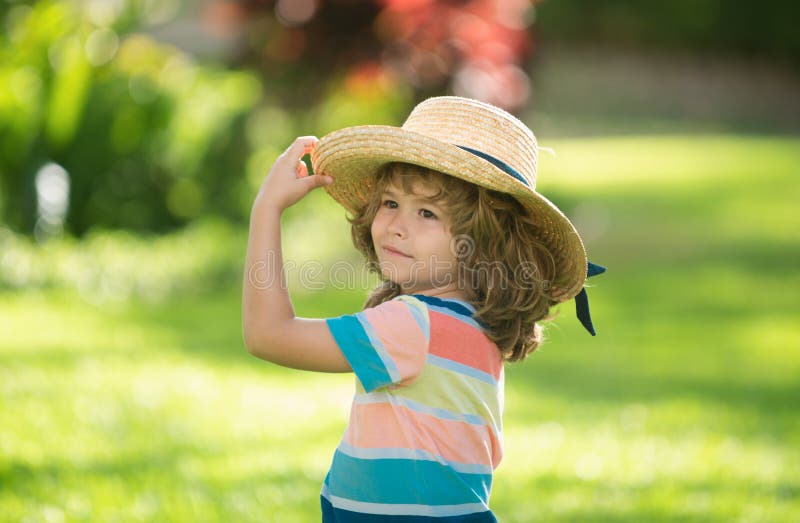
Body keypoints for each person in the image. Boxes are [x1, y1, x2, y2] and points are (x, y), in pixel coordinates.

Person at [242, 96, 605, 522]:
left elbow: (267, 335)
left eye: (428, 213)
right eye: (391, 203)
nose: (397, 224)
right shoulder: (475, 323)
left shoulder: (415, 323)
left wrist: (267, 207)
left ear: (482, 243)